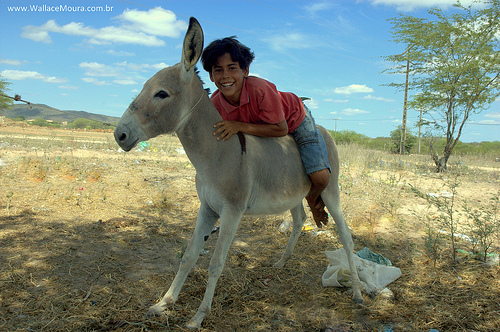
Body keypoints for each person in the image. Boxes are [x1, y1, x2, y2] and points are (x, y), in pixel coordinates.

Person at [201, 36, 331, 228]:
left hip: (294, 120)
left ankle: (312, 199)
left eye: (232, 68)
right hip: (261, 129)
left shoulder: (260, 89)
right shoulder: (216, 104)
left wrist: (238, 126)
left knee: (320, 177)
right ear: (211, 76)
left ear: (245, 71)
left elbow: (281, 129)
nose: (225, 76)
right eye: (218, 70)